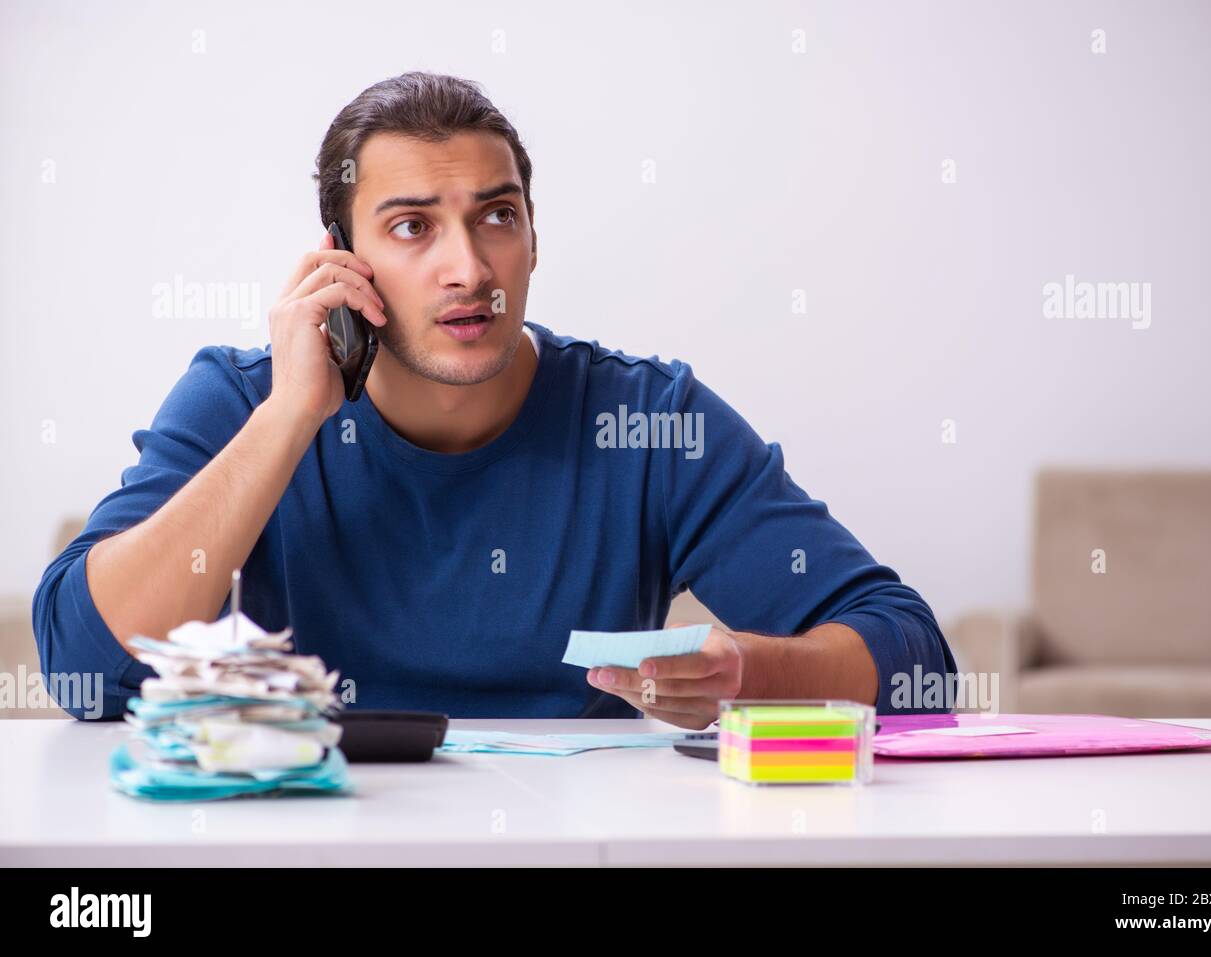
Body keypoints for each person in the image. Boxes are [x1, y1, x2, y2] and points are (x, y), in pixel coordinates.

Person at [33, 72, 957, 728]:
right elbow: (80, 673)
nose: (469, 269)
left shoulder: (645, 418)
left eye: (496, 218)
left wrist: (749, 672)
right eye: (411, 227)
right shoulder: (246, 401)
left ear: (533, 241)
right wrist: (285, 421)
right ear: (339, 259)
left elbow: (917, 659)